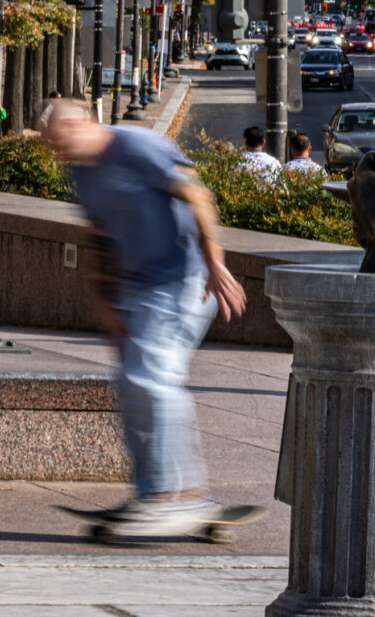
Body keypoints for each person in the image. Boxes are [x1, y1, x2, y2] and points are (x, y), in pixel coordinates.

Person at [41, 98, 246, 534]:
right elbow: (98, 236)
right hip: (136, 288)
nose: (60, 154)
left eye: (62, 142)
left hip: (184, 279)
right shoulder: (81, 170)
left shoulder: (137, 145)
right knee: (135, 387)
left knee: (151, 380)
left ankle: (168, 496)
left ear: (84, 124)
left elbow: (195, 194)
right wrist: (106, 305)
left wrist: (216, 262)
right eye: (53, 148)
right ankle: (175, 495)